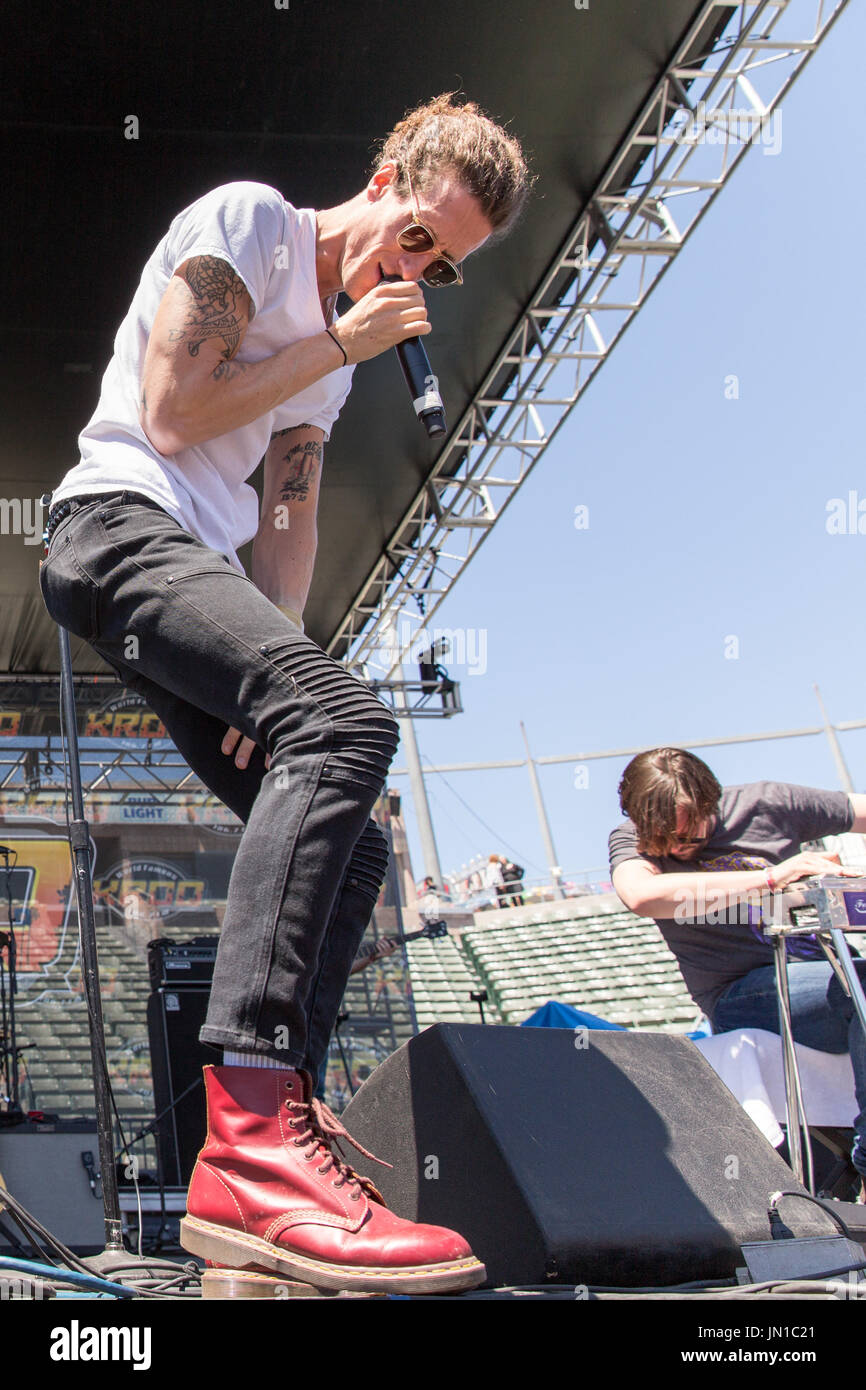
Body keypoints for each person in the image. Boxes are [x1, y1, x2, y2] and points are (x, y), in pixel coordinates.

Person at [39, 94, 530, 1293]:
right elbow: (172, 413)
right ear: (385, 175)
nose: (413, 268)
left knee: (351, 833)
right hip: (112, 528)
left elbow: (286, 521)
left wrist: (281, 672)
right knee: (347, 723)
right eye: (414, 234)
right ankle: (255, 1129)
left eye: (442, 265)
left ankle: (268, 1157)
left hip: (198, 568)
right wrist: (346, 342)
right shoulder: (250, 228)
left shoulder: (334, 370)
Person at [609, 747, 866, 1190]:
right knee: (857, 983)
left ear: (713, 802)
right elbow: (640, 895)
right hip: (739, 995)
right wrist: (770, 878)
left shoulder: (768, 804)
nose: (674, 847)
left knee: (854, 981)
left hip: (821, 976)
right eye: (662, 841)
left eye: (687, 839)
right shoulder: (629, 836)